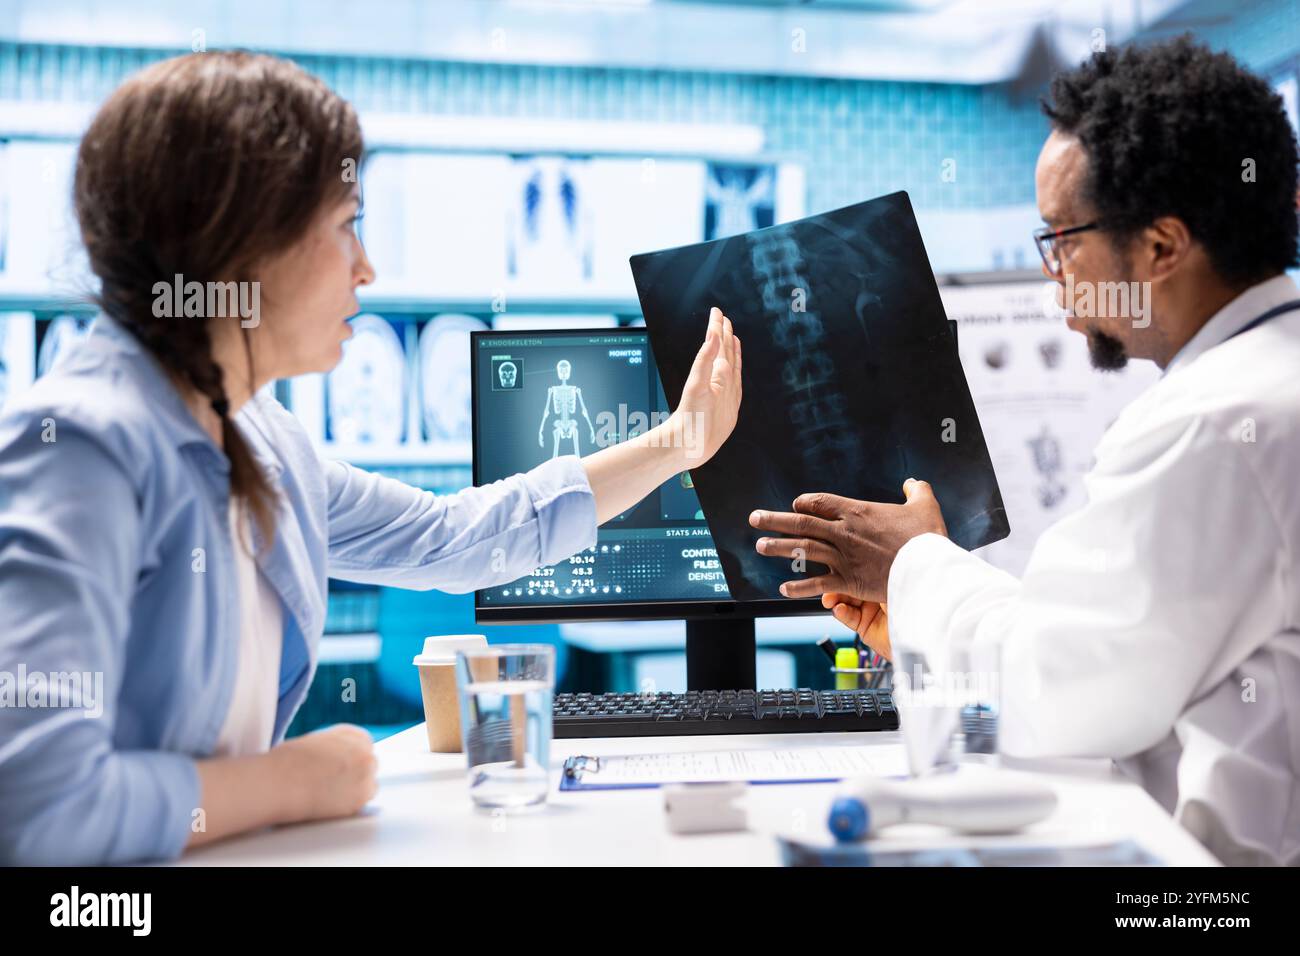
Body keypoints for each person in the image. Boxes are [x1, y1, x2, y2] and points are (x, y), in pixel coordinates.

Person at [0, 51, 742, 865]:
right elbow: (43, 812)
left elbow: (456, 540)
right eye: (346, 224)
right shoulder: (83, 448)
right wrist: (294, 781)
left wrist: (679, 444)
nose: (367, 269)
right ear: (244, 242)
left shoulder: (262, 437)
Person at [750, 37, 1300, 865]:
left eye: (1062, 238)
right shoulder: (1262, 384)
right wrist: (923, 611)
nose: (1053, 275)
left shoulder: (1216, 424)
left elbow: (1057, 693)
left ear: (1161, 247)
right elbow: (1127, 660)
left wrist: (915, 563)